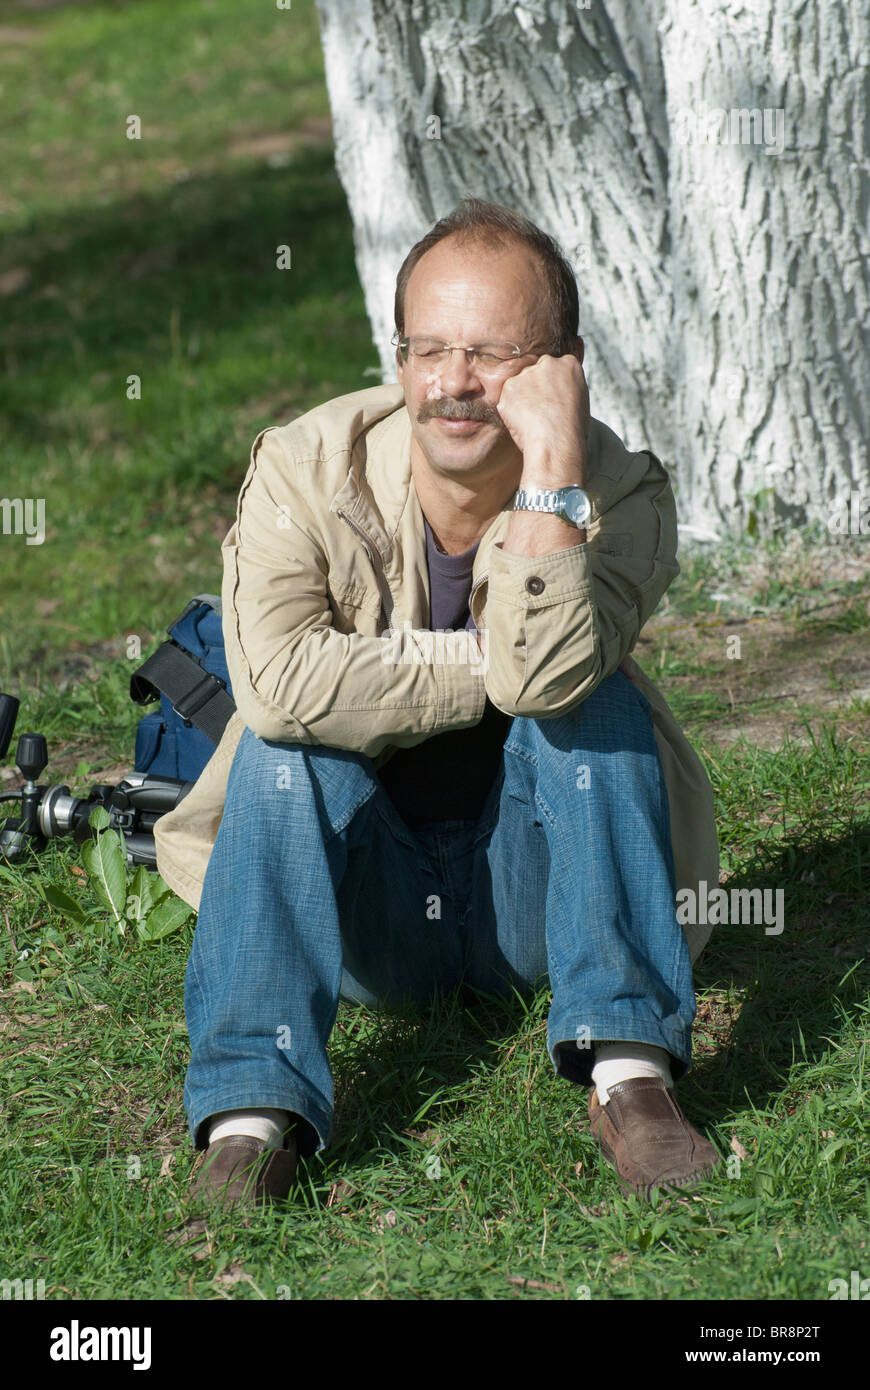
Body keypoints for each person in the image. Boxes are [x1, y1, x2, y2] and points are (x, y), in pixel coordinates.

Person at [154, 196, 722, 1210]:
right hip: (362, 911)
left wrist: (552, 477)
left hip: (547, 901)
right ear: (400, 353)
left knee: (591, 706)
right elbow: (281, 685)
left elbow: (544, 681)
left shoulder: (623, 492)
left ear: (561, 365)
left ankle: (630, 1075)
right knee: (285, 746)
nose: (452, 384)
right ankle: (251, 1121)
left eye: (494, 354)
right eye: (428, 349)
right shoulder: (304, 466)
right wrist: (479, 667)